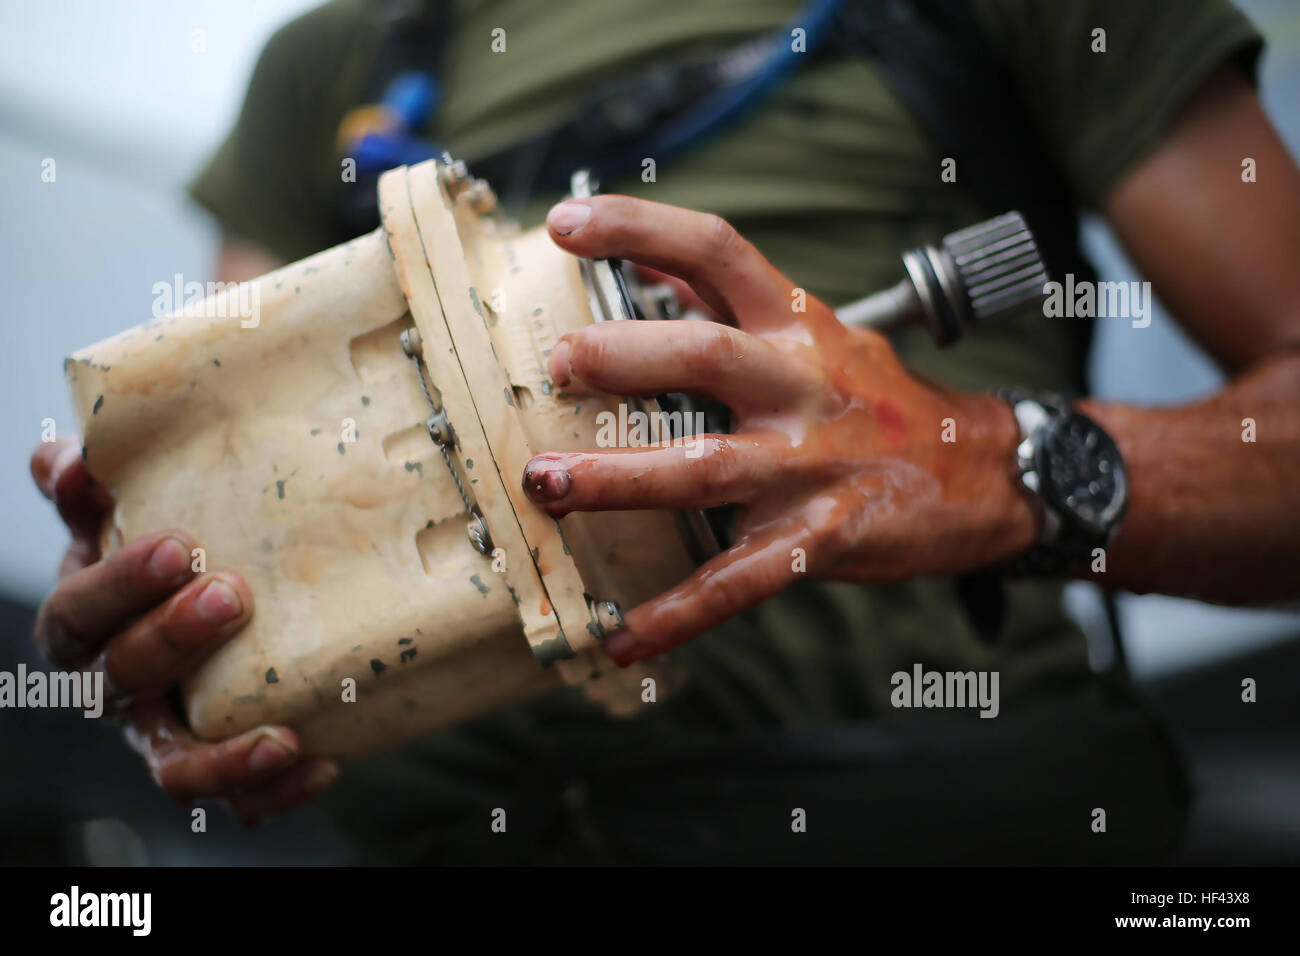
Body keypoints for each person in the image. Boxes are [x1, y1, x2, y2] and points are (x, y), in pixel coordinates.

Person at [30, 0, 1300, 863]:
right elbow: (216, 474)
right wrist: (164, 651)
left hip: (915, 811)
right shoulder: (333, 63)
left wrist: (993, 461)